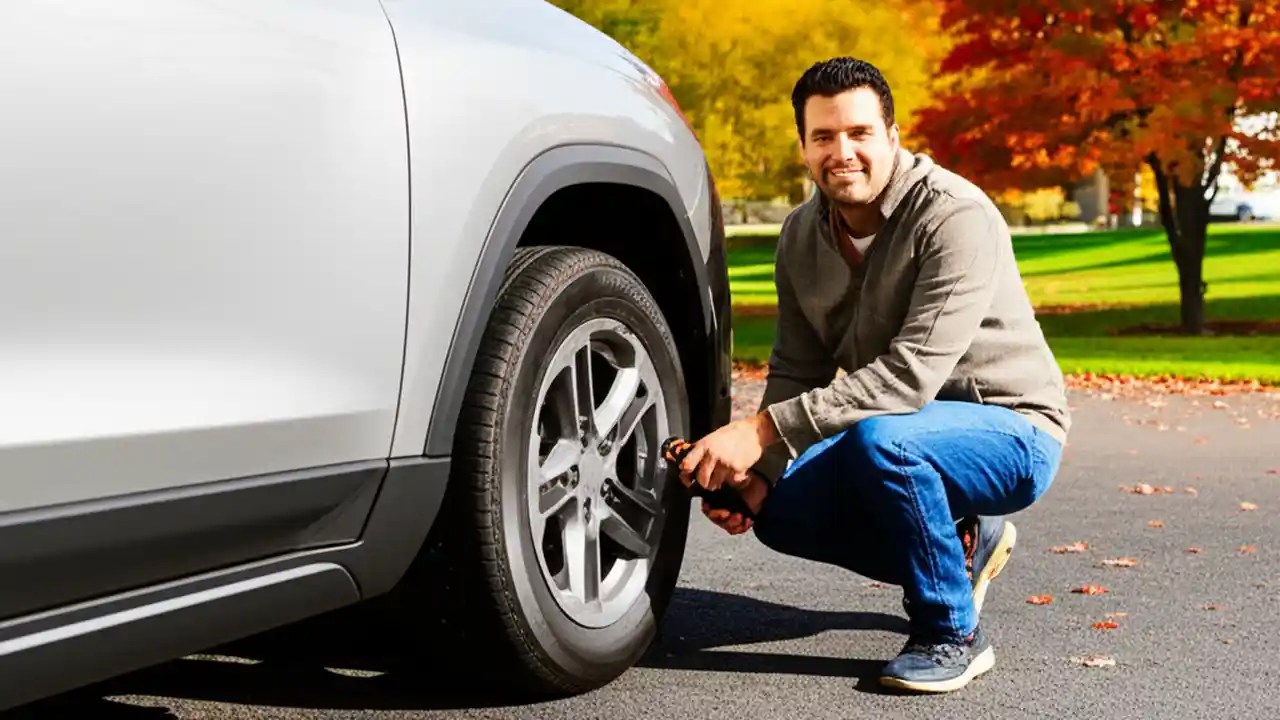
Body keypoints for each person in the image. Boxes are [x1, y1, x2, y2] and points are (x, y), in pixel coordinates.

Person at [676, 57, 1070, 694]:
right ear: (803, 147)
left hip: (1010, 430)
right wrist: (762, 473)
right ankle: (963, 544)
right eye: (824, 137)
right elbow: (798, 368)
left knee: (884, 441)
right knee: (781, 509)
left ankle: (952, 632)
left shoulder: (954, 215)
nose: (843, 152)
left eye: (860, 133)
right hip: (894, 434)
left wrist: (759, 430)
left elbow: (908, 378)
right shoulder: (801, 236)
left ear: (893, 135)